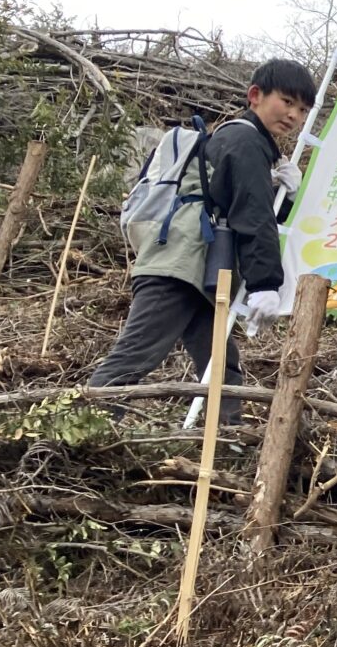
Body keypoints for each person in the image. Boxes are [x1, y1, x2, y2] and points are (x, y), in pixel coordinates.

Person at [90, 59, 318, 417]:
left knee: (221, 365)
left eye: (303, 109)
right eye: (287, 102)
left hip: (201, 269)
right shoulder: (245, 140)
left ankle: (228, 441)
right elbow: (251, 214)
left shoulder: (246, 142)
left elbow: (242, 207)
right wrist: (265, 283)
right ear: (255, 95)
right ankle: (77, 431)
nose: (294, 116)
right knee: (135, 356)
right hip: (179, 266)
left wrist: (286, 197)